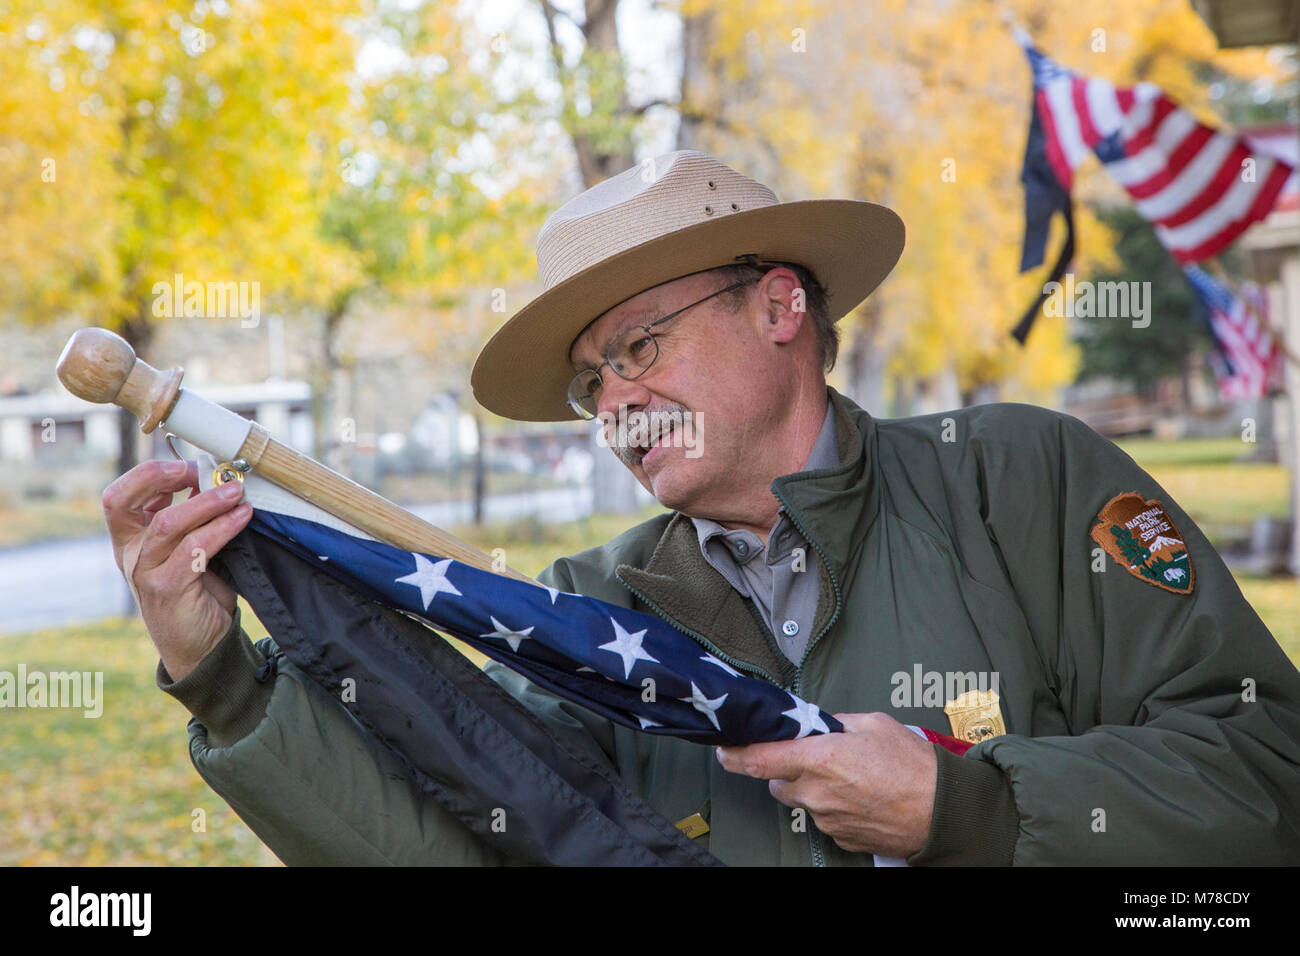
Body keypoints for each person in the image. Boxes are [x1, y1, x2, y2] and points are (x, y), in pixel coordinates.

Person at [103, 150, 1300, 865]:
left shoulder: (1022, 482)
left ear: (779, 306)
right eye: (590, 382)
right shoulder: (582, 613)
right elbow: (461, 844)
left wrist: (964, 804)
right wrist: (222, 675)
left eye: (639, 345)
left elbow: (1264, 772)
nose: (615, 398)